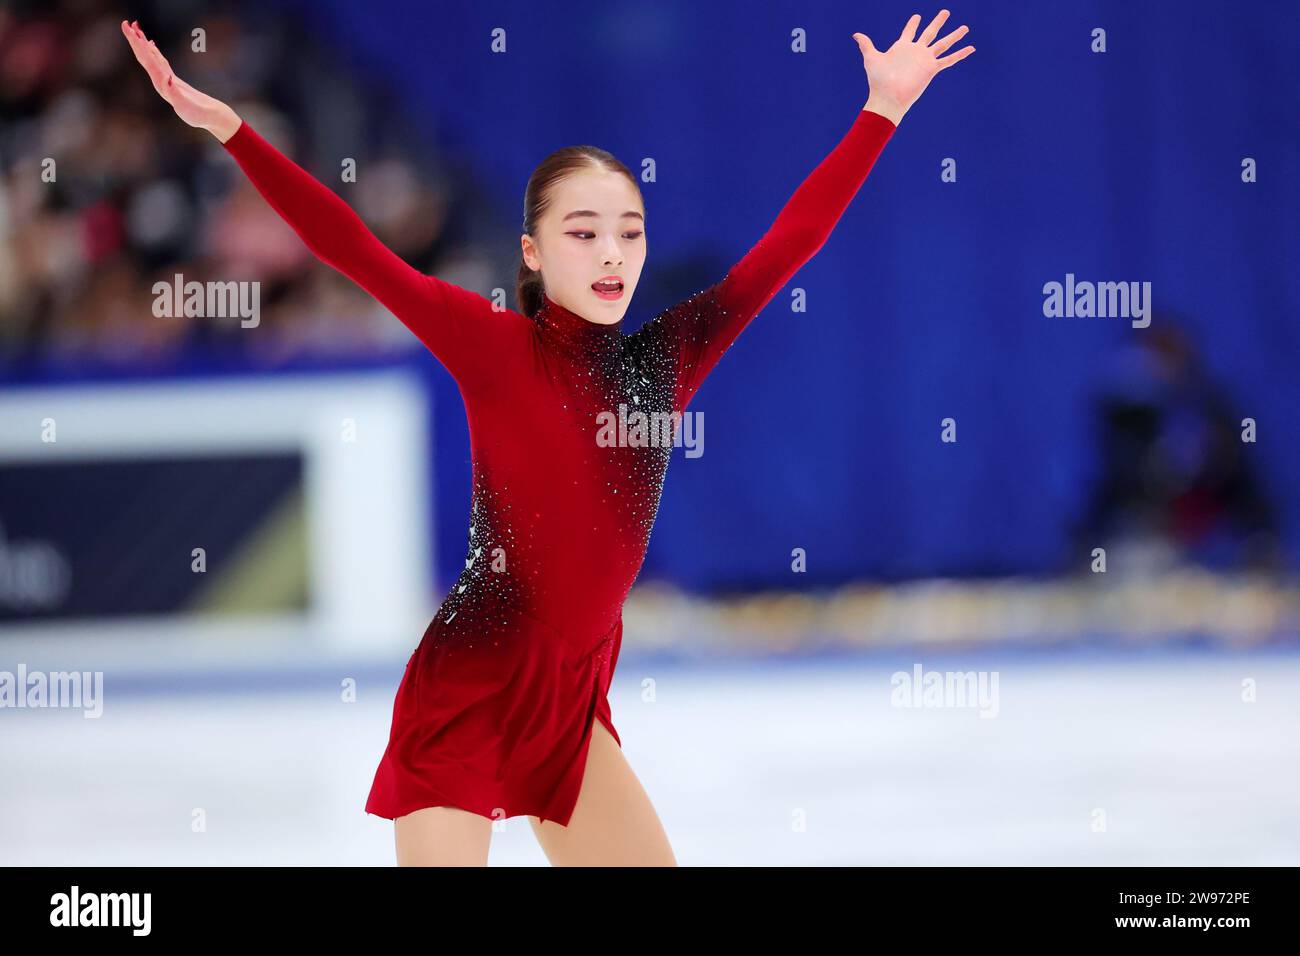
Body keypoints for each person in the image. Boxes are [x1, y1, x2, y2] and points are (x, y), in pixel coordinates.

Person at [121, 10, 974, 866]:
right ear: (531, 252)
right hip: (471, 684)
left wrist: (883, 113)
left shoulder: (663, 362)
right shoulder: (490, 346)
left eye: (629, 234)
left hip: (569, 705)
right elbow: (352, 247)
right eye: (584, 233)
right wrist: (229, 128)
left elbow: (790, 245)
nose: (612, 255)